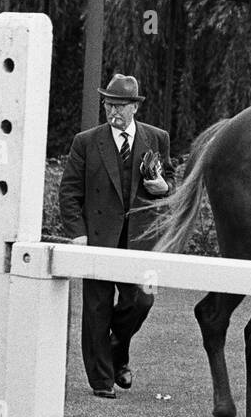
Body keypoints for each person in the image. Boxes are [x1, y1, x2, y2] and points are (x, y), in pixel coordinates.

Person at [58, 74, 175, 399]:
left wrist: (162, 188)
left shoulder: (157, 138)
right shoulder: (86, 141)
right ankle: (102, 381)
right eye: (109, 105)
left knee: (142, 300)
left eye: (120, 107)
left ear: (135, 107)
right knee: (96, 309)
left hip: (140, 241)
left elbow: (171, 187)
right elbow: (69, 192)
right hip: (97, 237)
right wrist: (78, 234)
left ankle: (115, 348)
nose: (113, 113)